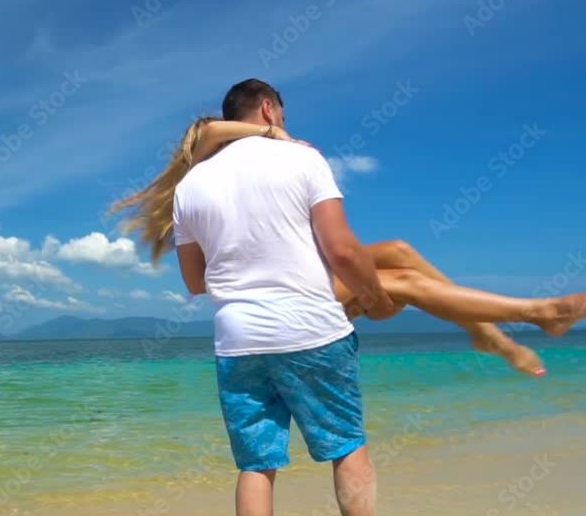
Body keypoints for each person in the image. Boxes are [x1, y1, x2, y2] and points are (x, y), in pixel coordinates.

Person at [107, 78, 586, 516]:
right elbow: (339, 249)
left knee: (256, 465)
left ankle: (499, 330)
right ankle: (537, 314)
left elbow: (196, 283)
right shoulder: (298, 156)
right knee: (348, 443)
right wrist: (367, 296)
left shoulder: (191, 186)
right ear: (271, 109)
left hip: (241, 339)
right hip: (307, 322)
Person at [110, 117, 586, 378]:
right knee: (404, 282)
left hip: (285, 280)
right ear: (269, 110)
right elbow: (210, 130)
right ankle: (540, 311)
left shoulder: (227, 177)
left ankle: (488, 335)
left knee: (398, 250)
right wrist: (276, 134)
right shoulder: (208, 168)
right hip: (274, 295)